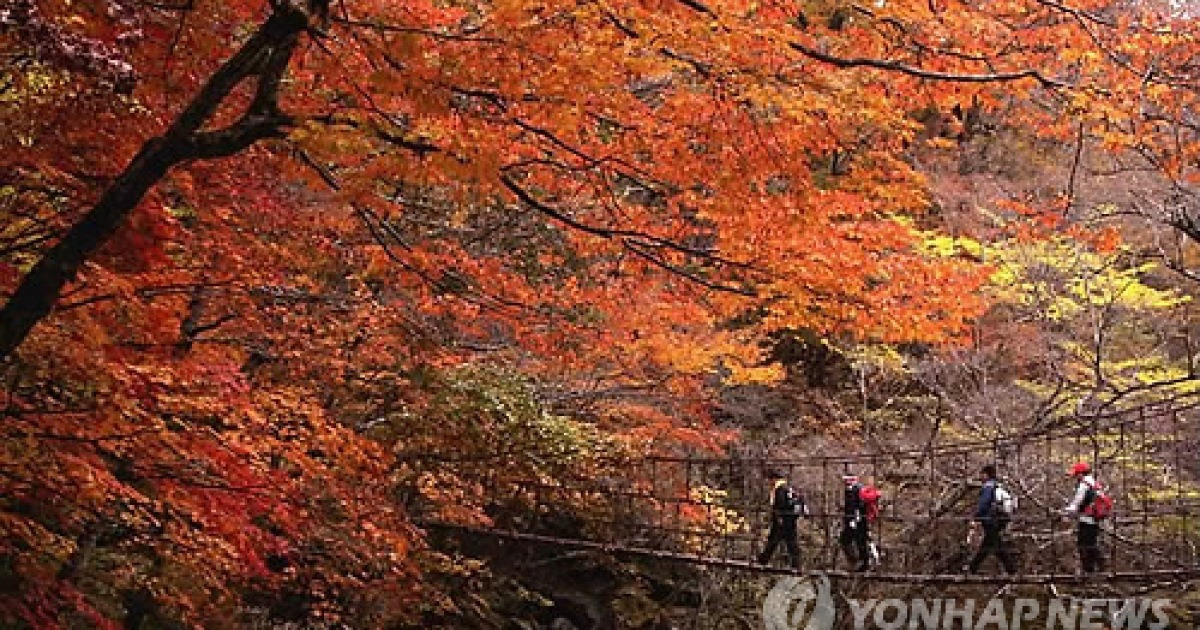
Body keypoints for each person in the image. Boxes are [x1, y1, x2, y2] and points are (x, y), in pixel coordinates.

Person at [968, 464, 1016, 574]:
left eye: (982, 474)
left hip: (991, 520)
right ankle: (1011, 569)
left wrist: (976, 517)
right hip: (999, 519)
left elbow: (984, 504)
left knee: (991, 544)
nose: (980, 476)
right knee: (993, 544)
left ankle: (972, 568)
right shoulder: (997, 486)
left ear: (986, 475)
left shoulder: (988, 487)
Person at [1062, 461, 1106, 573]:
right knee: (1091, 544)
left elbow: (1077, 503)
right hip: (1095, 519)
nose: (1076, 477)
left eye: (1076, 474)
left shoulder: (1084, 485)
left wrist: (1065, 512)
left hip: (1087, 519)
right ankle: (1098, 567)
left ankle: (1089, 570)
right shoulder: (1094, 484)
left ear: (1081, 474)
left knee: (1083, 545)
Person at [758, 470, 806, 568]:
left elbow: (779, 504)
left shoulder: (779, 489)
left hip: (782, 519)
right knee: (790, 541)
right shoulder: (789, 488)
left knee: (775, 540)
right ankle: (796, 564)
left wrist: (778, 517)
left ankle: (763, 560)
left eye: (770, 480)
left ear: (774, 479)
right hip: (791, 518)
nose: (769, 482)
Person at [839, 473, 871, 571]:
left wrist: (855, 518)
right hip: (853, 520)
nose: (845, 482)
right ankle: (858, 562)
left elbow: (858, 505)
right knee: (849, 540)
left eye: (847, 480)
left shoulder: (857, 490)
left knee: (859, 541)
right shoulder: (850, 489)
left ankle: (862, 563)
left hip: (857, 520)